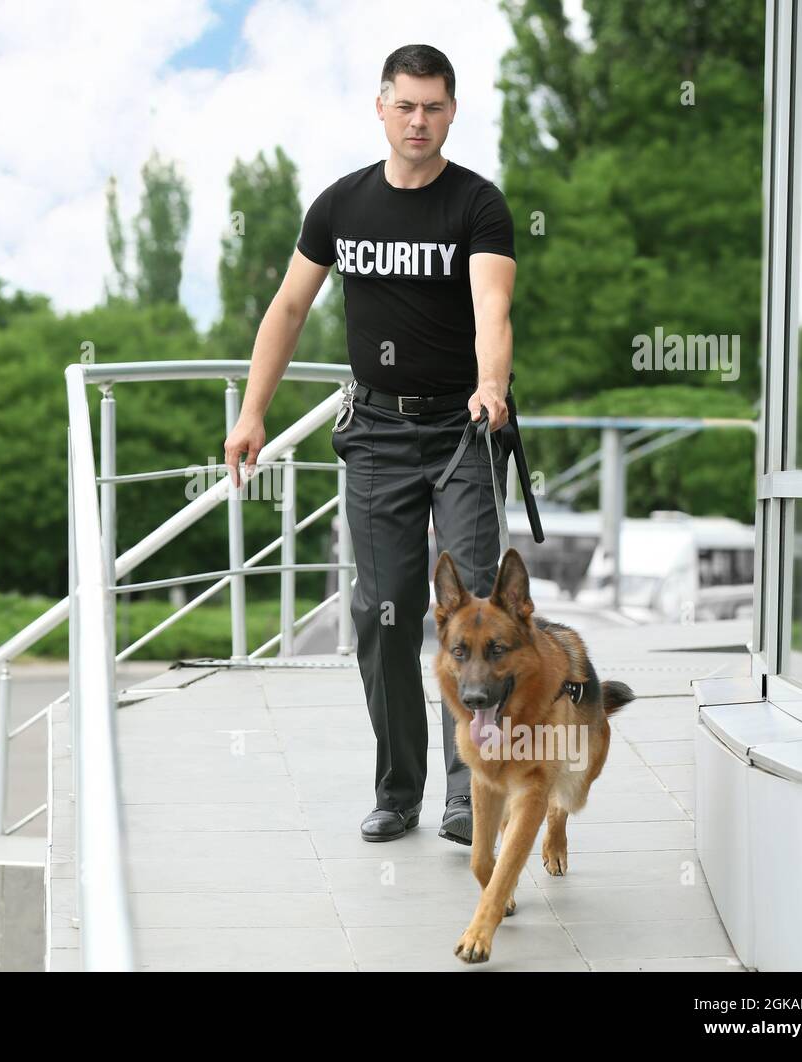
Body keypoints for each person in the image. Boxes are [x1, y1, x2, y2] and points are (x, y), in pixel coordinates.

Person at [223, 43, 517, 844]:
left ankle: (474, 790)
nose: (418, 121)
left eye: (433, 107)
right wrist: (253, 412)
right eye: (405, 105)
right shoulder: (341, 207)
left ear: (452, 111)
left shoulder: (478, 207)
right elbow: (286, 310)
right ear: (381, 109)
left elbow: (494, 308)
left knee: (479, 616)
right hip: (379, 436)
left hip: (462, 430)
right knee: (382, 614)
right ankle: (398, 790)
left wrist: (492, 383)